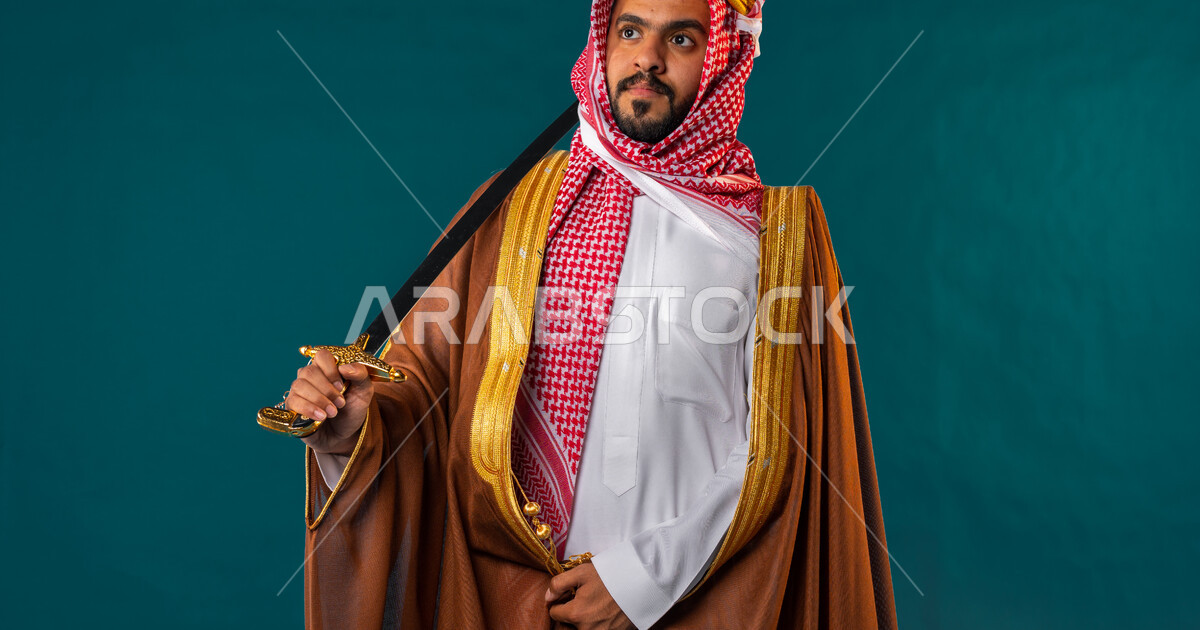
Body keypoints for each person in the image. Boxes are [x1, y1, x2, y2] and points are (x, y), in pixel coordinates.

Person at [282, 0, 897, 627]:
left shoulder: (773, 237)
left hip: (693, 607)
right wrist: (350, 433)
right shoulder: (507, 211)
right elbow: (421, 390)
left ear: (722, 60)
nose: (646, 60)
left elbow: (782, 446)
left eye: (681, 39)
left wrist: (640, 581)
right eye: (629, 32)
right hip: (508, 608)